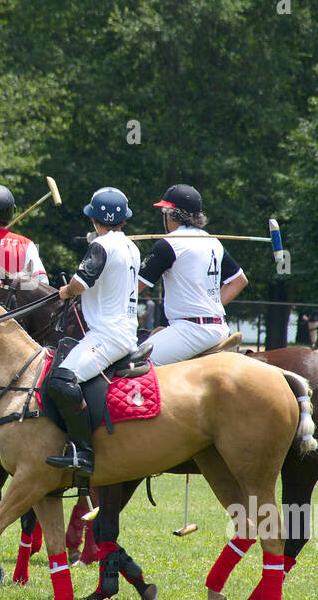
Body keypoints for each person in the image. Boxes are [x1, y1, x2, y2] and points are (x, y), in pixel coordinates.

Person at [45, 188, 141, 488]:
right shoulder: (132, 248)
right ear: (122, 219)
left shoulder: (101, 245)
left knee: (62, 378)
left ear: (95, 219)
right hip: (123, 330)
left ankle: (83, 453)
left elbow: (80, 284)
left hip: (108, 335)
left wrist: (63, 292)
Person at [135, 183, 248, 365]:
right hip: (219, 327)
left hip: (190, 330)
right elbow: (239, 281)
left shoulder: (169, 244)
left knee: (136, 363)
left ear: (170, 214)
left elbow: (134, 288)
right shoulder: (213, 242)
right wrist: (209, 305)